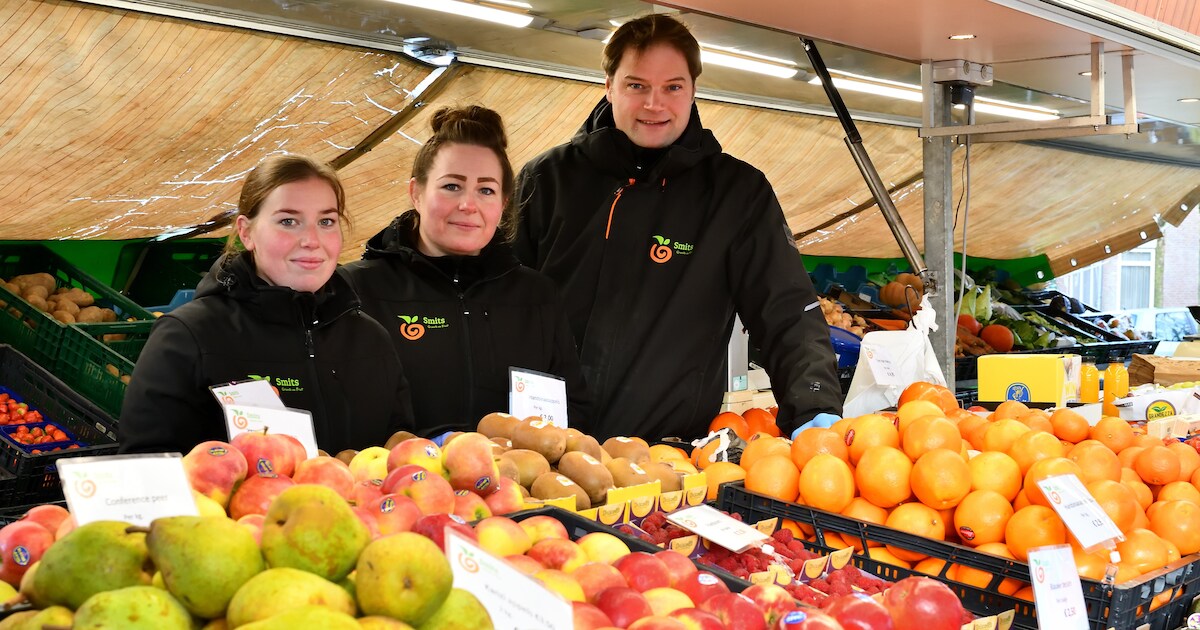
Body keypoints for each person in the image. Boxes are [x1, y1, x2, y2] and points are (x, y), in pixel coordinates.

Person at [513, 14, 842, 441]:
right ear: (608, 85)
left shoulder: (735, 195)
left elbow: (786, 313)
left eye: (673, 87)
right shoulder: (548, 179)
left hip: (666, 460)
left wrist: (814, 408)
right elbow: (502, 307)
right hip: (541, 450)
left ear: (692, 90)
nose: (655, 104)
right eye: (637, 86)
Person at [119, 155, 414, 455]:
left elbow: (398, 455)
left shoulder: (371, 340)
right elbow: (144, 466)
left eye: (326, 221)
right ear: (246, 233)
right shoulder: (187, 337)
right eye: (288, 221)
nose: (312, 240)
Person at [341, 105, 591, 438]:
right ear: (416, 192)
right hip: (399, 485)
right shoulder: (357, 289)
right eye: (452, 186)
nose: (468, 205)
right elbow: (341, 410)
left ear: (503, 204)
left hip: (517, 486)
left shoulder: (537, 296)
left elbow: (574, 411)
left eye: (486, 190)